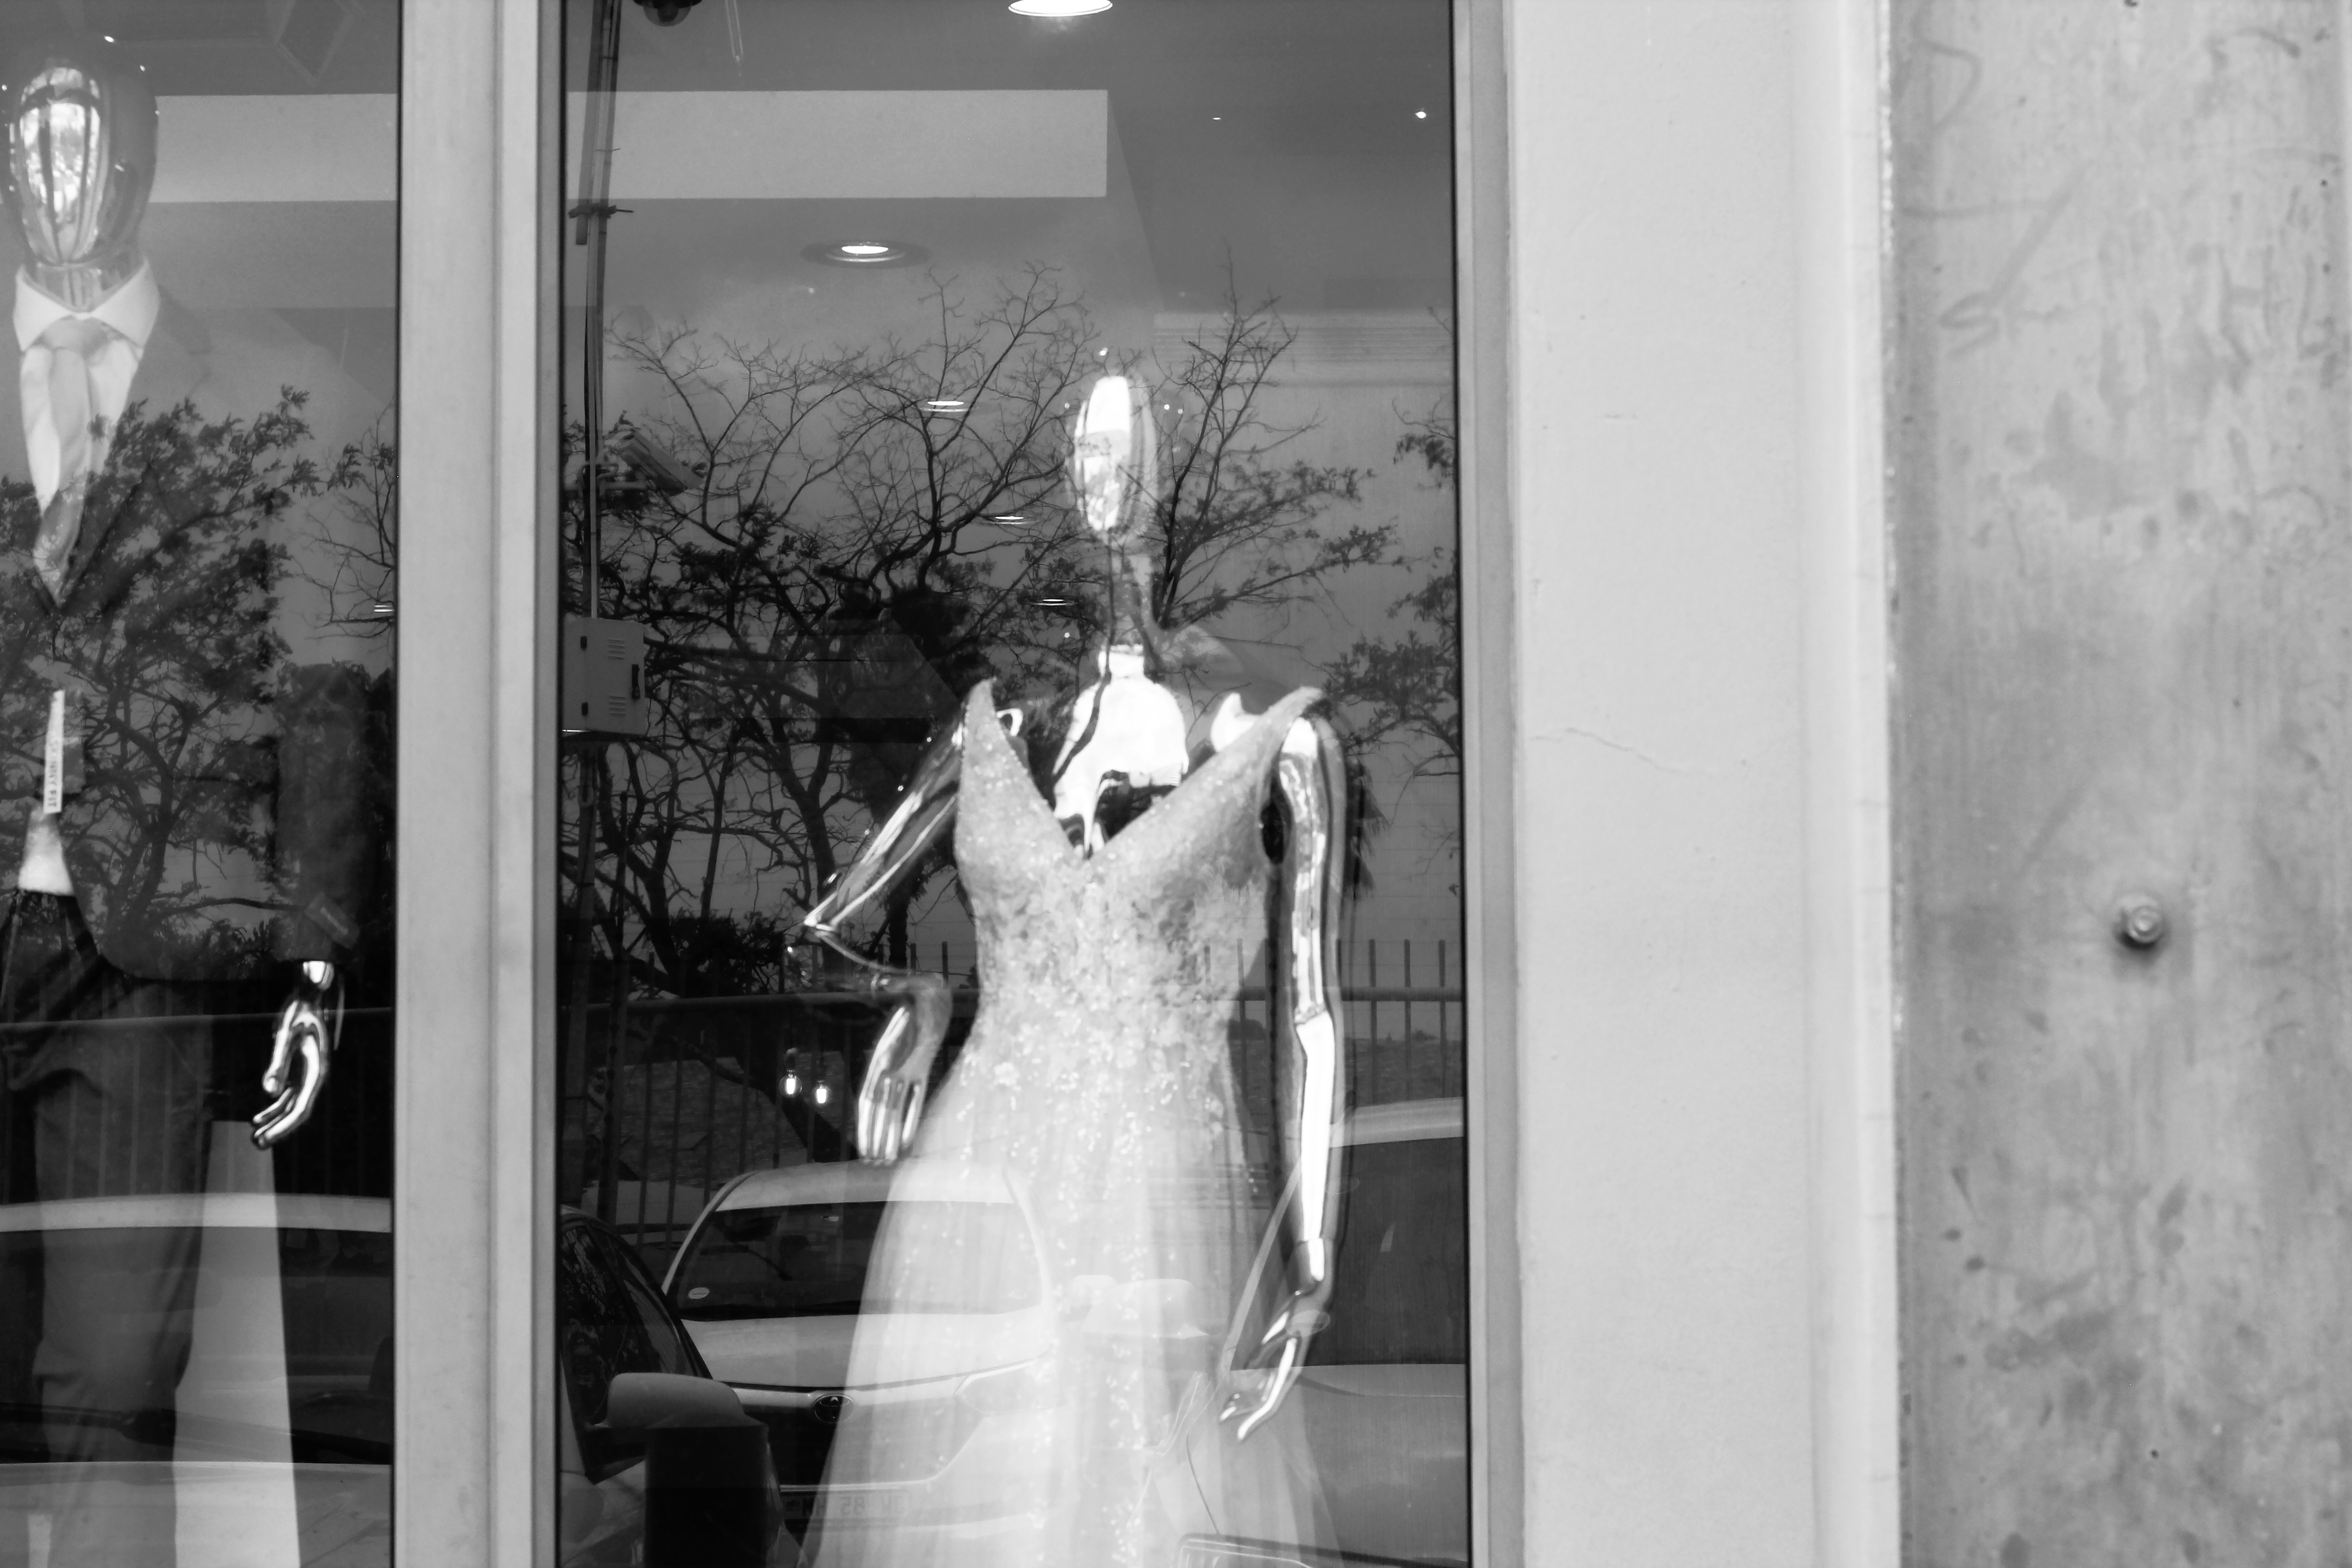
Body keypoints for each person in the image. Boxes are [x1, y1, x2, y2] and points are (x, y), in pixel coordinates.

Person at [0, 36, 387, 1563]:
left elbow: (323, 689)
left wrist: (318, 944)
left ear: (147, 166)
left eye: (89, 142)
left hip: (146, 944)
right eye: (30, 142)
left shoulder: (275, 399)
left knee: (108, 1379)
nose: (59, 178)